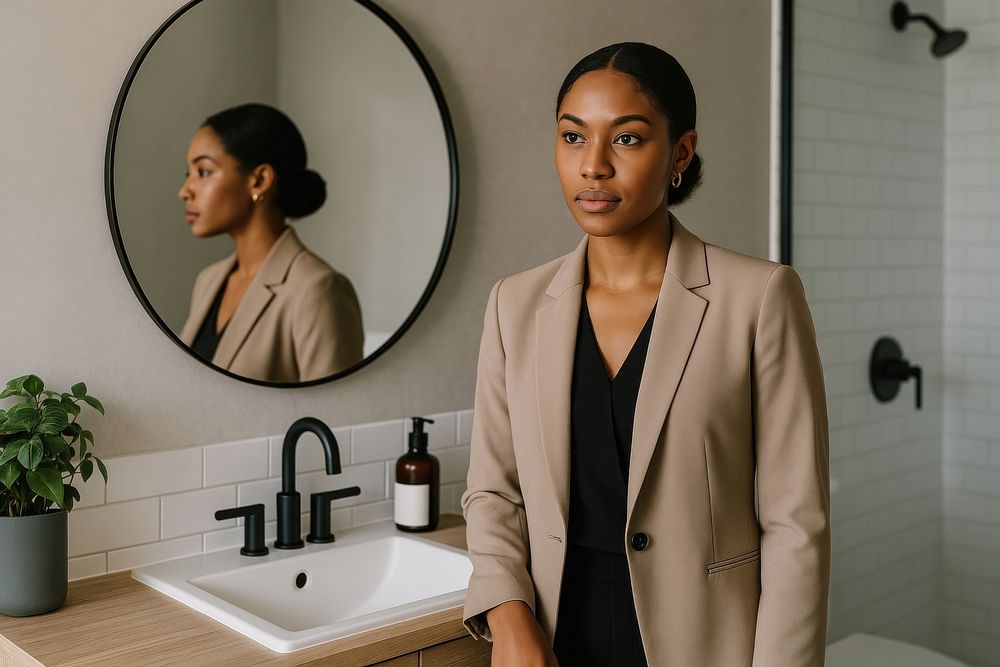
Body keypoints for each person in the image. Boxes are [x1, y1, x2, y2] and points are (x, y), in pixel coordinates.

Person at [461, 42, 831, 666]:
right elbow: (493, 492)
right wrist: (508, 617)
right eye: (573, 137)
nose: (594, 167)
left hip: (702, 642)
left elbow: (797, 527)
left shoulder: (760, 297)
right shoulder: (514, 304)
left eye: (627, 139)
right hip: (554, 638)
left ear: (680, 153)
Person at [176, 103, 364, 383]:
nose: (184, 191)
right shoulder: (208, 281)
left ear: (260, 180)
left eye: (203, 172)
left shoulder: (318, 290)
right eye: (187, 174)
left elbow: (335, 417)